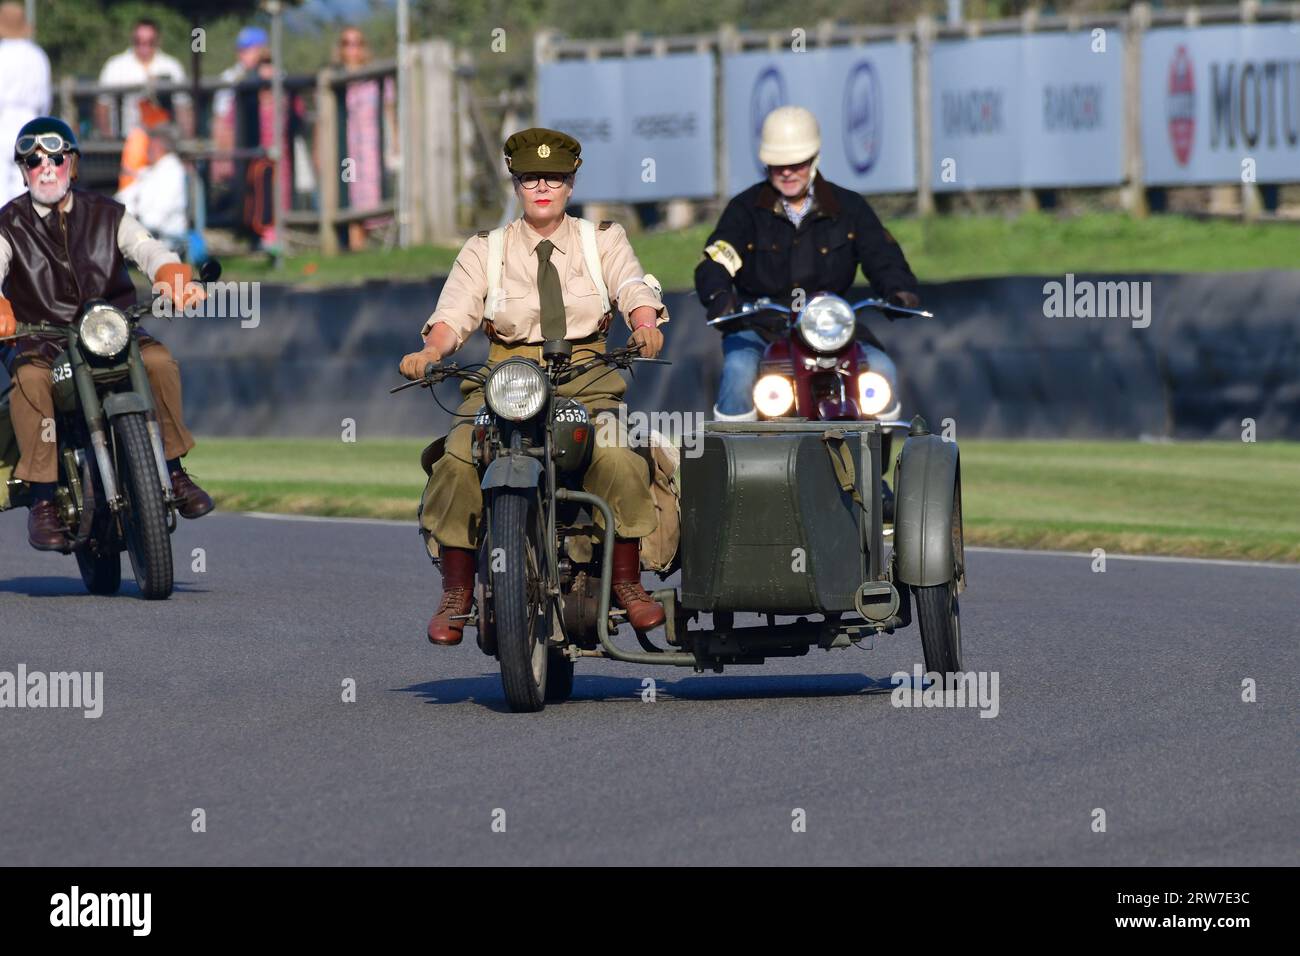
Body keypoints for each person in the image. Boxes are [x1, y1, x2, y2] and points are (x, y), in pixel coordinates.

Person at [399, 128, 668, 646]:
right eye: (529, 178)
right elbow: (454, 313)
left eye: (554, 178)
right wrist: (432, 352)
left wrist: (643, 323)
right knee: (458, 453)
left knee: (616, 454)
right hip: (507, 380)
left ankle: (629, 583)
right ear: (516, 184)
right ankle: (456, 592)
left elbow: (632, 284)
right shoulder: (486, 249)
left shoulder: (602, 239)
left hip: (586, 378)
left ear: (571, 184)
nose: (542, 187)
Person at [0, 118, 212, 551]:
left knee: (158, 361)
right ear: (23, 170)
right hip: (40, 340)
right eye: (33, 160)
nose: (46, 167)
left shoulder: (107, 213)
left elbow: (145, 247)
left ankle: (172, 469)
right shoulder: (9, 224)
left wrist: (171, 274)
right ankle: (42, 499)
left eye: (56, 158)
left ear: (72, 165)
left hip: (110, 331)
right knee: (31, 381)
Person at [695, 106, 920, 424]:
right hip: (760, 328)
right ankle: (734, 469)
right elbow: (716, 261)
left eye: (796, 163)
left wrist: (899, 291)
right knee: (739, 372)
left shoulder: (849, 208)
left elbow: (882, 257)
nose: (787, 172)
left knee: (882, 372)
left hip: (832, 331)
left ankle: (871, 468)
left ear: (814, 159)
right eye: (777, 165)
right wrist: (720, 297)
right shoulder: (744, 211)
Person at [335, 26, 396, 250]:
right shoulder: (334, 78)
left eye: (357, 43)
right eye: (347, 43)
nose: (352, 49)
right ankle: (354, 244)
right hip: (346, 147)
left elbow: (389, 112)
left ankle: (364, 244)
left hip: (372, 147)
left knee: (371, 194)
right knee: (350, 192)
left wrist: (395, 143)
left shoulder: (376, 78)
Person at [95, 18, 193, 139]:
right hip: (125, 141)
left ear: (158, 41)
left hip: (163, 143)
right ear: (132, 40)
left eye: (150, 42)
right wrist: (108, 142)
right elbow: (103, 107)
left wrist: (187, 145)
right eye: (138, 41)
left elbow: (183, 108)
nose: (144, 47)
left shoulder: (172, 66)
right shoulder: (115, 66)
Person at [0, 2, 51, 206]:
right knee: (28, 183)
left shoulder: (2, 55)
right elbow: (45, 99)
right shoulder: (38, 56)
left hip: (4, 121)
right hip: (31, 122)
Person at [116, 124, 188, 254]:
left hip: (164, 239)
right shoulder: (150, 172)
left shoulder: (173, 172)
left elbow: (157, 216)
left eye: (149, 145)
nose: (146, 149)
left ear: (159, 146)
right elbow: (125, 197)